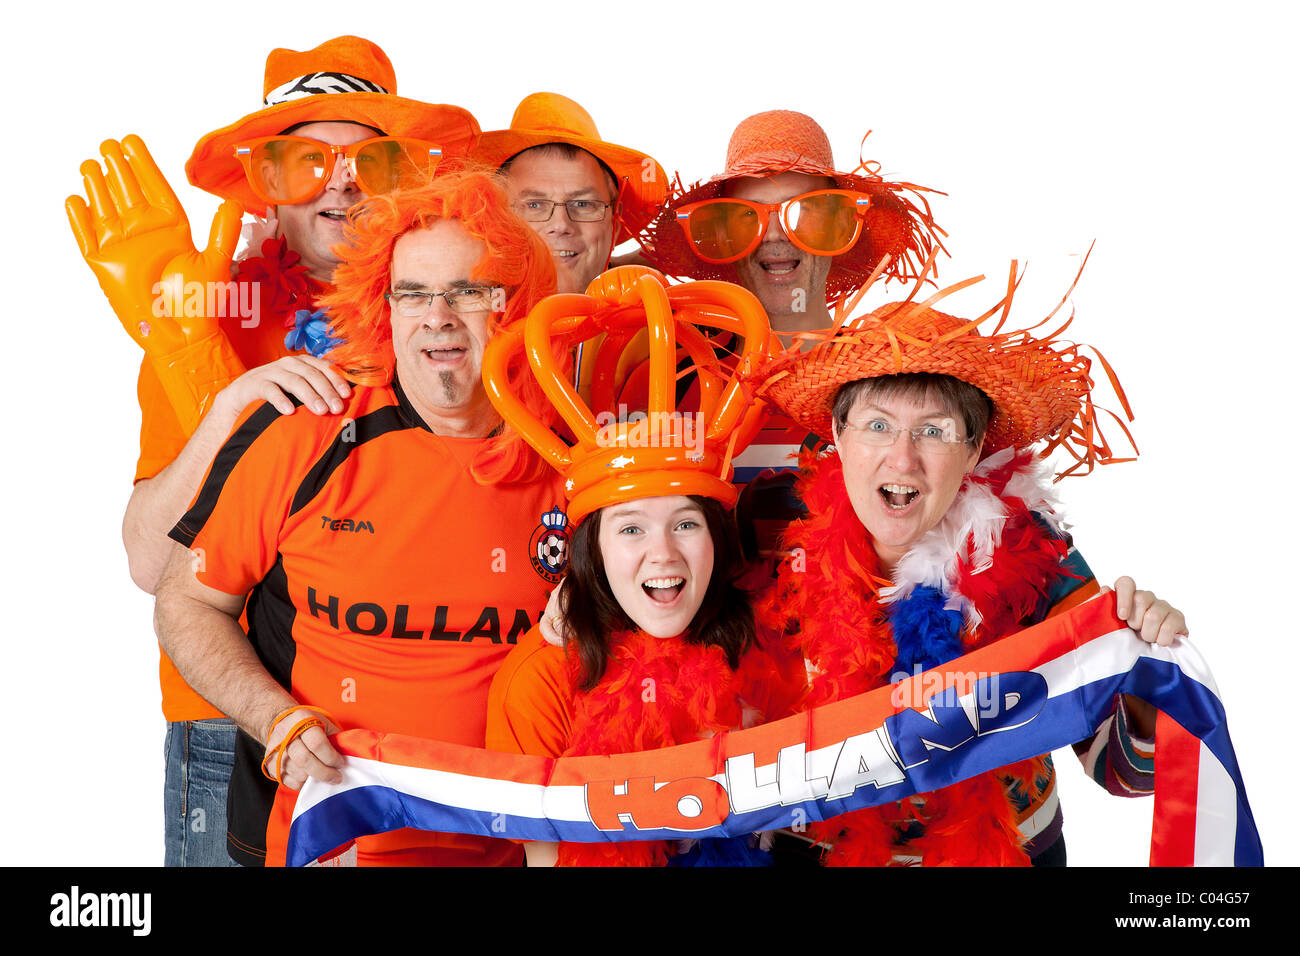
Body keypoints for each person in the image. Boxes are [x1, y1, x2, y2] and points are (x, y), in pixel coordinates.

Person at [66, 35, 479, 866]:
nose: (341, 182)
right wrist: (210, 383)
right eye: (304, 162)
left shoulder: (446, 321)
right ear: (265, 187)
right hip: (227, 720)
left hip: (415, 724)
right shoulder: (199, 316)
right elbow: (153, 565)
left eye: (374, 161)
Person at [151, 170, 569, 867]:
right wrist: (274, 720)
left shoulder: (571, 454)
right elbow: (186, 601)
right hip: (319, 847)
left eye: (468, 291)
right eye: (412, 293)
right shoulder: (303, 436)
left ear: (515, 305)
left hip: (511, 852)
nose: (437, 315)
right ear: (385, 309)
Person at [757, 268, 1183, 865]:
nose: (902, 458)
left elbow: (1129, 773)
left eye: (934, 431)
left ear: (975, 449)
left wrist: (1146, 670)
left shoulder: (1036, 556)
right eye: (878, 425)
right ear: (837, 433)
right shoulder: (777, 545)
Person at [482, 267, 803, 866]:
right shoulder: (540, 683)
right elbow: (548, 859)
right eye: (630, 528)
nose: (663, 554)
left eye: (686, 523)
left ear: (716, 537)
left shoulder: (766, 651)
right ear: (593, 549)